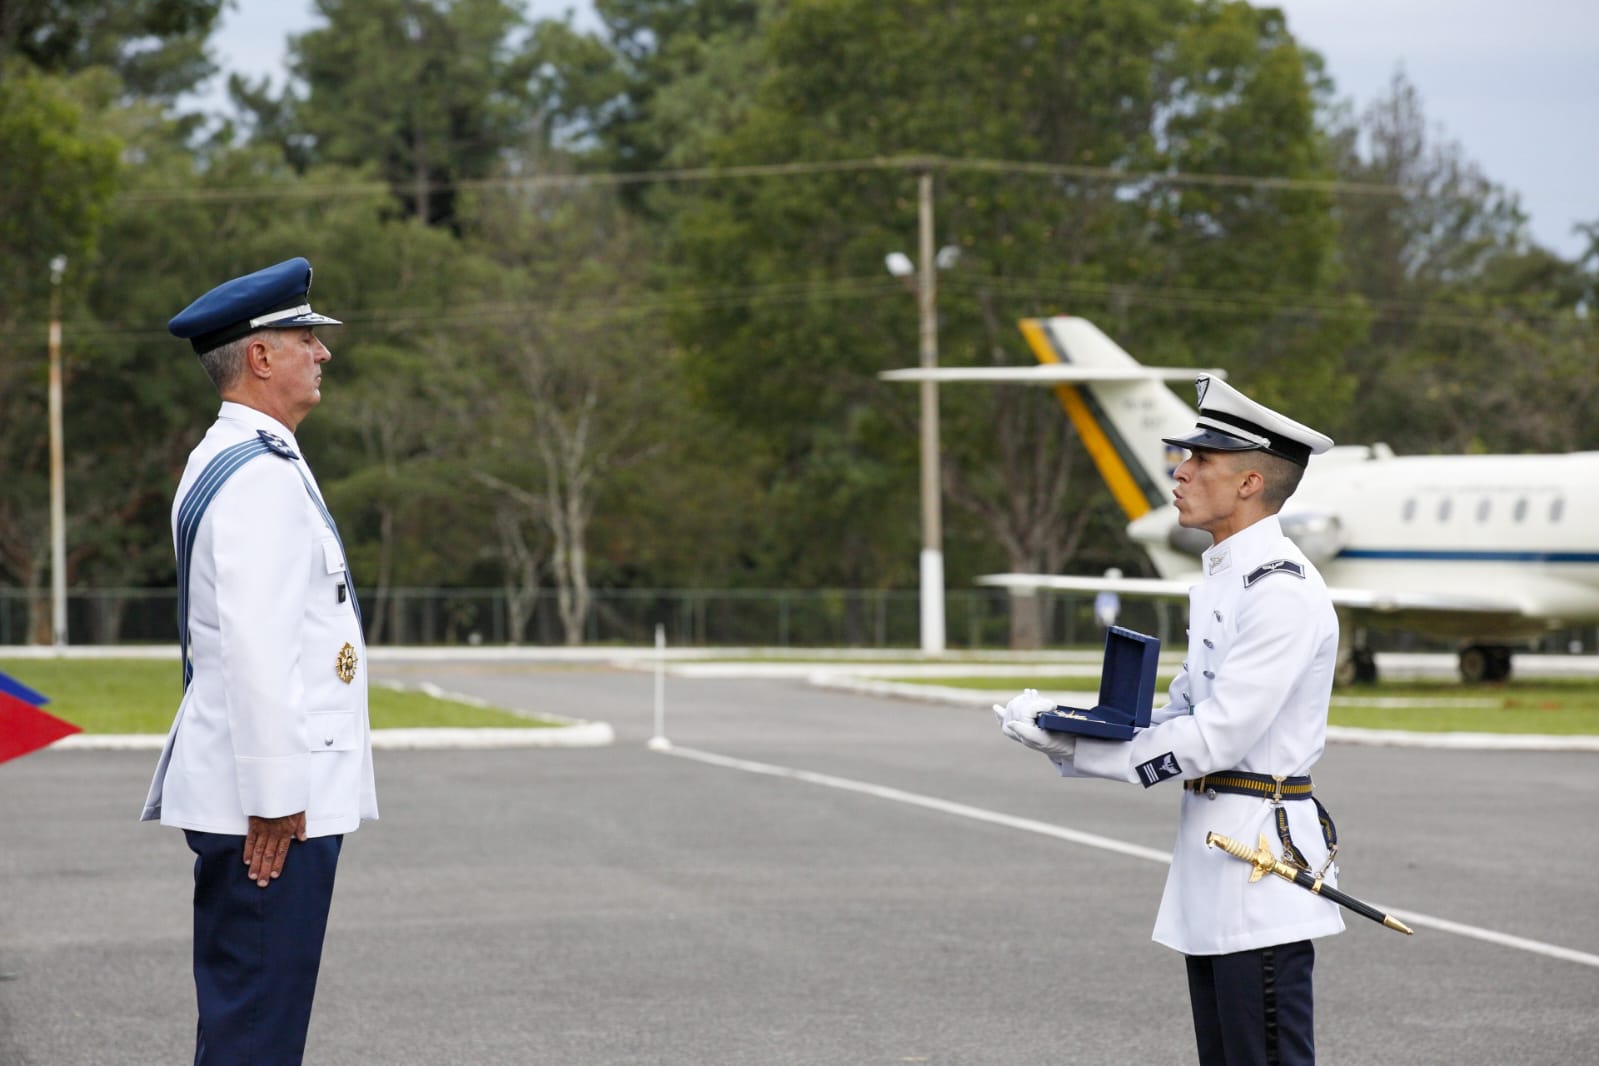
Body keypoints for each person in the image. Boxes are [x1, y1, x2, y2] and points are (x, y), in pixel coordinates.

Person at [996, 374, 1341, 1066]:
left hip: (1257, 870)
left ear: (1249, 482)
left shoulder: (1279, 592)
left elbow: (1216, 737)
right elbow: (1181, 711)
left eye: (1200, 460)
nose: (1179, 472)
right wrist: (1066, 726)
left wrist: (1079, 752)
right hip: (1218, 859)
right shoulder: (1227, 579)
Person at [141, 257, 378, 1065]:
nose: (323, 351)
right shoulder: (257, 475)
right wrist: (277, 801)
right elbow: (256, 644)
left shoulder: (243, 455)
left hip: (262, 800)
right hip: (270, 815)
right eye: (306, 336)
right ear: (261, 355)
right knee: (256, 1034)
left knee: (249, 1023)